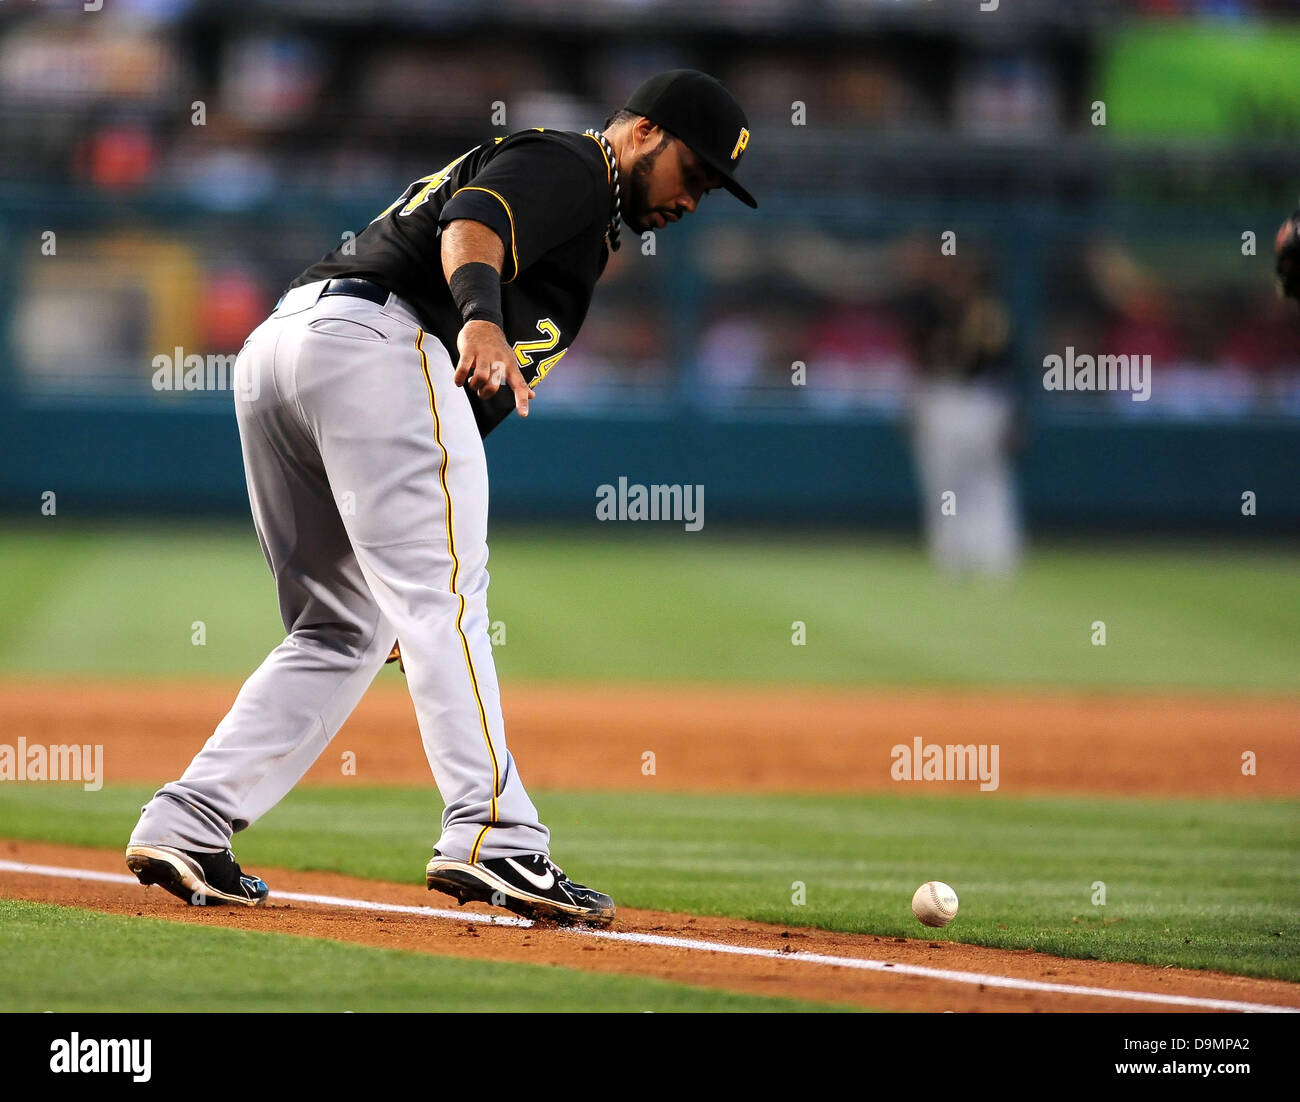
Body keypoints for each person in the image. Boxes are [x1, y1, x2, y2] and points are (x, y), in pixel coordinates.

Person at [124, 70, 756, 926]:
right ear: (644, 132)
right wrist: (479, 317)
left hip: (291, 349)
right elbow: (475, 221)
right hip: (380, 343)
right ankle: (495, 838)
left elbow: (459, 402)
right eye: (698, 169)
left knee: (347, 627)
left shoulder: (585, 229)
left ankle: (187, 822)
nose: (698, 195)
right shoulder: (579, 164)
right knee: (445, 601)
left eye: (715, 185)